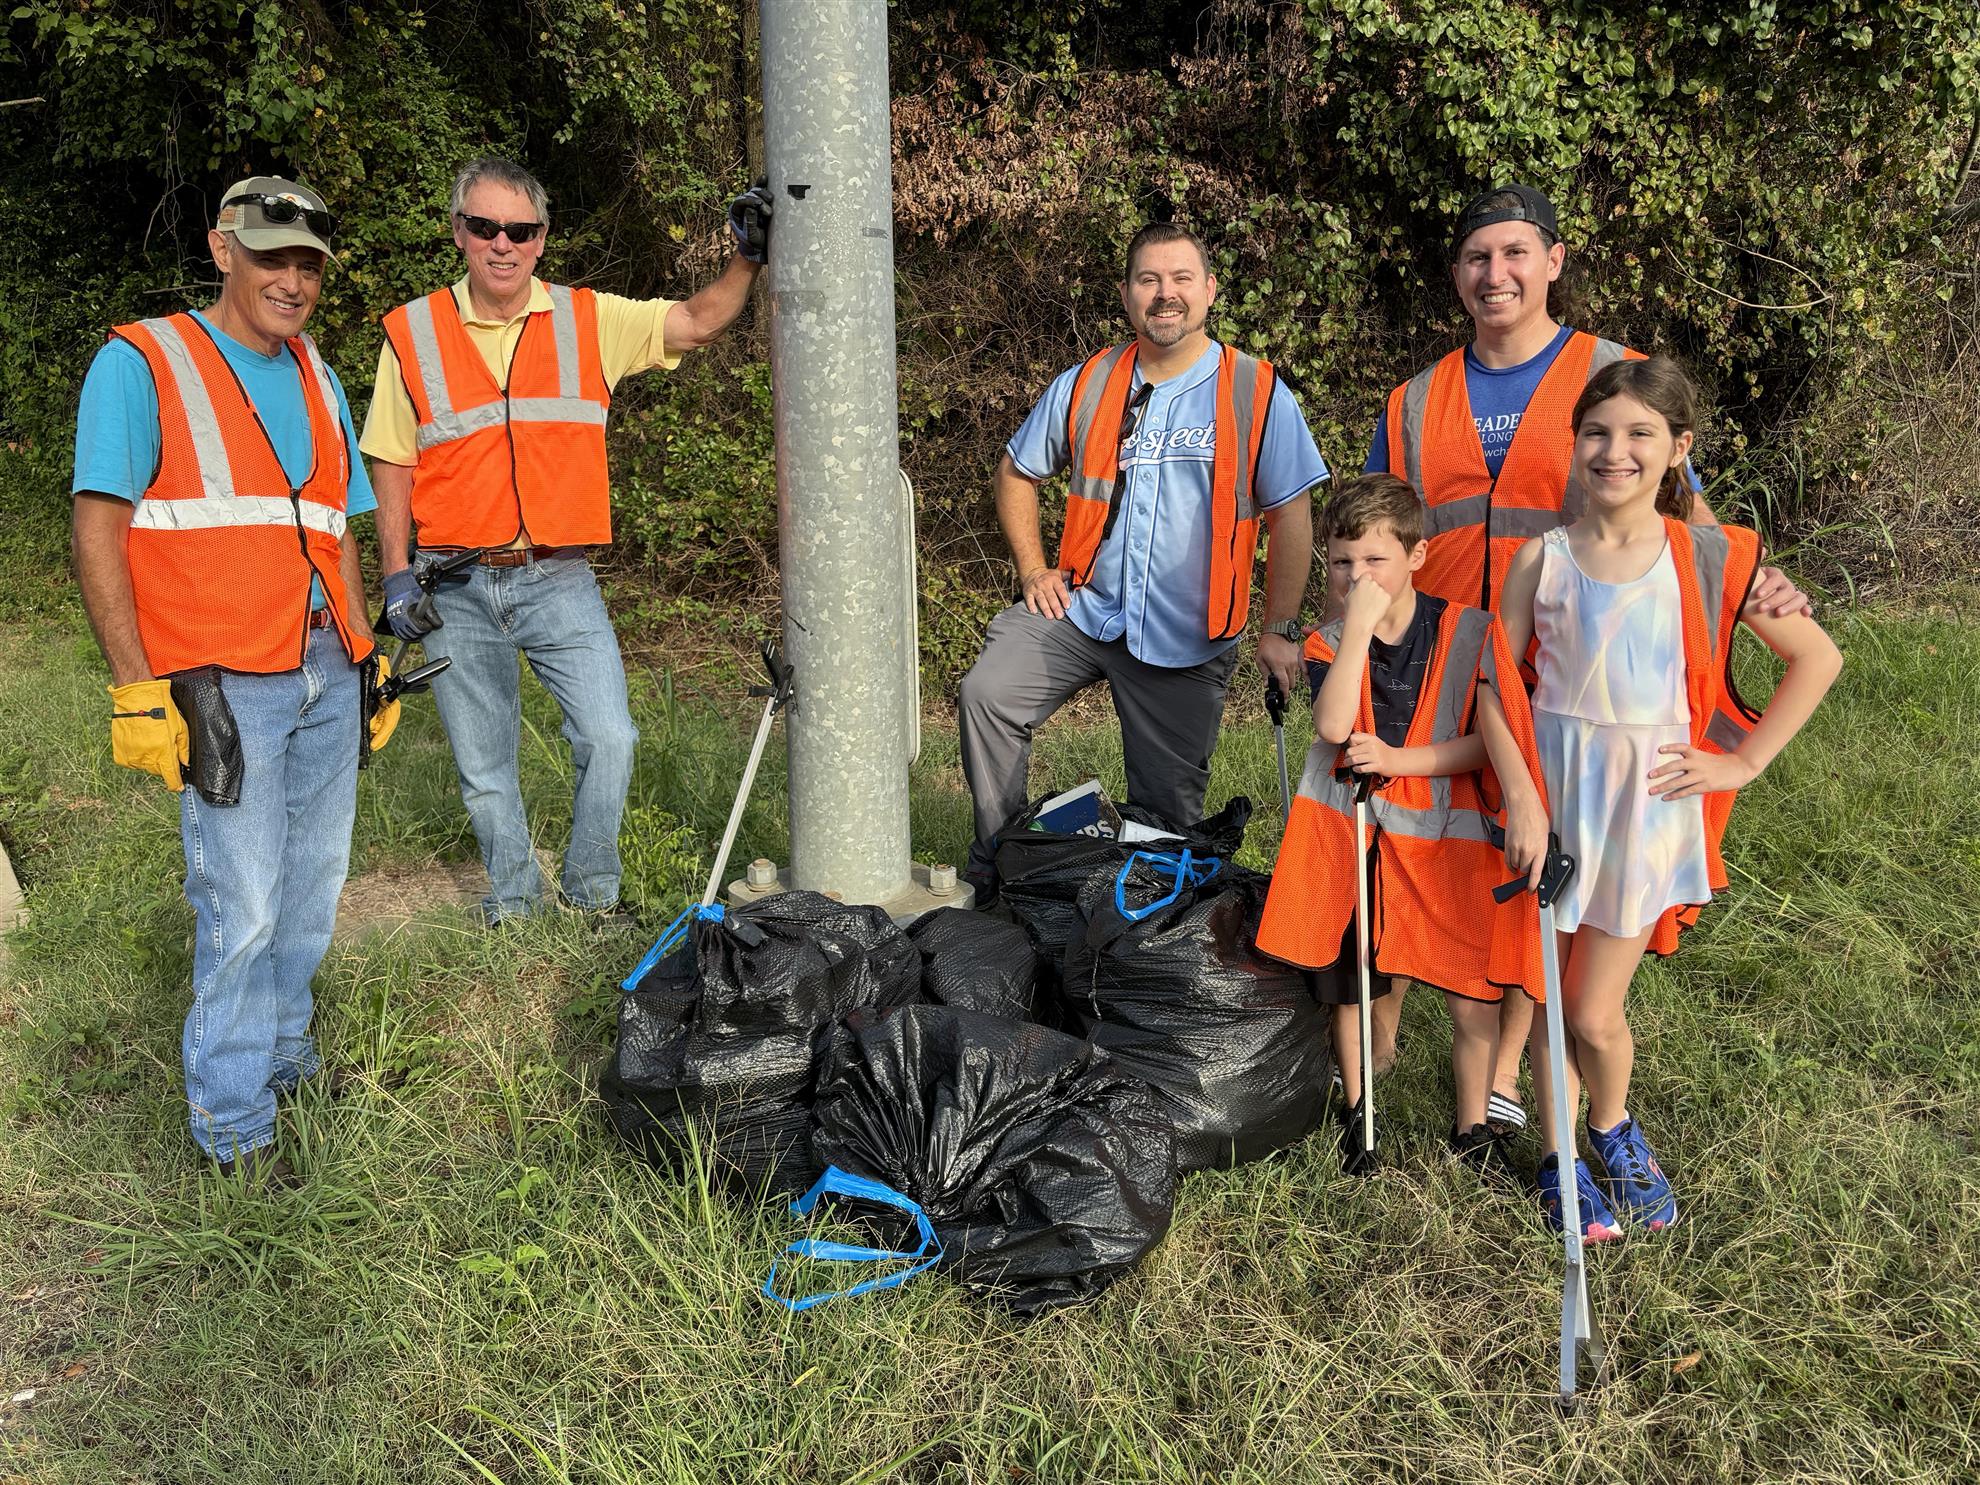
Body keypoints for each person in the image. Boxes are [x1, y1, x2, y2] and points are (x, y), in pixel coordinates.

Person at [1359, 183, 1812, 1135]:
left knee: (1541, 881)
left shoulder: (1616, 375)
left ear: (1554, 261)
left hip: (1553, 691)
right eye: (1479, 257)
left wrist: (1769, 589)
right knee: (1424, 858)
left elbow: (1683, 527)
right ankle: (1377, 1057)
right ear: (1456, 275)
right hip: (1439, 671)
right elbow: (1374, 533)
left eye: (1517, 253)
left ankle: (1513, 1080)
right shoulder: (1412, 402)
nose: (1498, 274)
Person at [71, 176, 389, 1182]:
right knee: (243, 904)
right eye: (270, 256)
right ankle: (234, 1122)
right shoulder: (143, 363)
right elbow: (99, 531)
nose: (291, 281)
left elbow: (333, 526)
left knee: (311, 892)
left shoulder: (320, 376)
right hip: (223, 681)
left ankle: (286, 1056)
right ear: (222, 249)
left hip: (325, 669)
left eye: (307, 264)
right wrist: (134, 686)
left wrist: (367, 653)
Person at [361, 157, 773, 923]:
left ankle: (588, 899)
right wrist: (395, 576)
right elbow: (391, 458)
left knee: (611, 737)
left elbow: (695, 320)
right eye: (484, 227)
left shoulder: (588, 320)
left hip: (559, 578)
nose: (502, 244)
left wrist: (746, 257)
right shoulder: (413, 333)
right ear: (459, 233)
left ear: (542, 239)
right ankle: (513, 904)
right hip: (451, 582)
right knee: (486, 769)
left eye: (519, 230)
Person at [1496, 355, 1841, 1238]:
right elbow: (1493, 683)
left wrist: (1743, 762)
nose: (1615, 451)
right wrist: (1524, 801)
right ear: (1574, 445)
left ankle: (1610, 1125)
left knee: (1590, 1008)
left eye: (1641, 434)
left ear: (1679, 447)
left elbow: (1818, 658)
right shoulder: (1543, 557)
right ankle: (1559, 1156)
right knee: (1545, 989)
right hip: (1557, 803)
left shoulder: (1709, 557)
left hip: (1642, 809)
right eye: (1598, 433)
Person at [957, 223, 1327, 895]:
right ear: (1128, 296)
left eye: (1182, 279)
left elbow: (1291, 512)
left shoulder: (1254, 389)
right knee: (988, 691)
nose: (1166, 294)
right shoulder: (1090, 381)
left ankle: (1142, 924)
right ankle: (1002, 869)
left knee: (1167, 829)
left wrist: (1279, 627)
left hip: (1188, 637)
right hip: (1085, 612)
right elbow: (1015, 472)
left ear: (1209, 291)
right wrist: (1035, 570)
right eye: (1150, 280)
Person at [1255, 474, 1549, 1177]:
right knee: (1353, 983)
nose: (1359, 576)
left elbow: (1490, 738)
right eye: (1345, 561)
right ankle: (1360, 1113)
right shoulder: (1330, 640)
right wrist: (1355, 625)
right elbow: (1331, 725)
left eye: (1376, 560)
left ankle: (1474, 1125)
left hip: (1448, 848)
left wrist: (1396, 758)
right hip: (1353, 843)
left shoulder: (1472, 632)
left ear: (1417, 556)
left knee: (1470, 997)